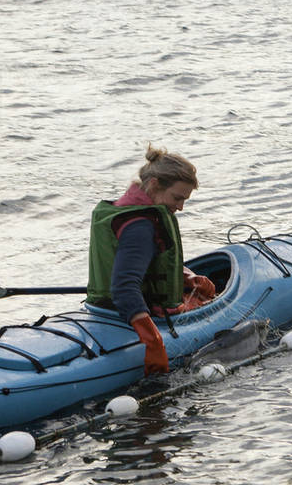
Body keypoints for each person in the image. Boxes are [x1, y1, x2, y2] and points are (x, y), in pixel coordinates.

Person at [87, 145, 215, 376]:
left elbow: (138, 262)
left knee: (205, 290)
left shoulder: (124, 208)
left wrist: (186, 277)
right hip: (132, 312)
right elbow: (124, 287)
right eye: (177, 198)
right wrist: (153, 341)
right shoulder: (140, 226)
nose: (181, 207)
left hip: (100, 310)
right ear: (155, 184)